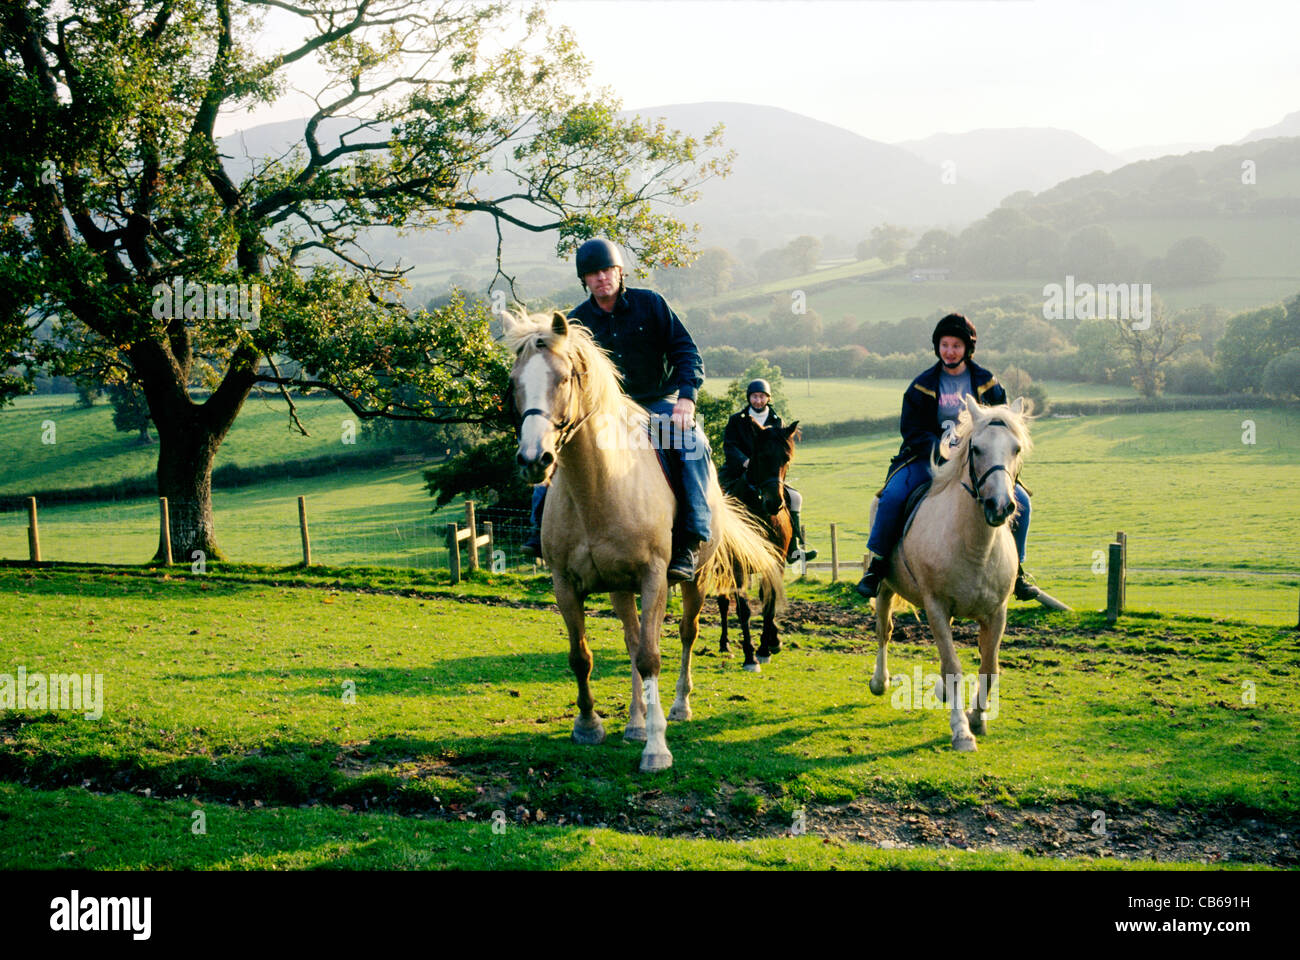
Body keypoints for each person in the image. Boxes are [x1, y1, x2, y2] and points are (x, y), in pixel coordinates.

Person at [523, 238, 714, 583]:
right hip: (605, 414)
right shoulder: (575, 322)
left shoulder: (651, 304)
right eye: (592, 273)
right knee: (552, 445)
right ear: (585, 280)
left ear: (620, 271)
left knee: (693, 442)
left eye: (606, 270)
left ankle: (691, 537)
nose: (601, 278)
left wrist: (686, 397)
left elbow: (686, 351)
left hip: (657, 404)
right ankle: (539, 528)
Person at [855, 313, 1037, 601]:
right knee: (890, 497)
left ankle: (1018, 571)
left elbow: (1002, 425)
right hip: (928, 459)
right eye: (944, 345)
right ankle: (877, 566)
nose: (949, 351)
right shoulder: (921, 385)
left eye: (956, 345)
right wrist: (938, 448)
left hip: (978, 461)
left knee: (1022, 502)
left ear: (967, 349)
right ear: (937, 347)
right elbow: (911, 430)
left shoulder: (987, 383)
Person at [720, 379, 818, 563]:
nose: (758, 400)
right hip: (738, 470)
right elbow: (730, 445)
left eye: (761, 397)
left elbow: (779, 450)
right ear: (749, 398)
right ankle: (710, 545)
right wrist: (745, 461)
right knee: (716, 497)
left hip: (767, 474)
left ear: (768, 398)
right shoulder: (737, 420)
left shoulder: (777, 421)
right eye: (754, 397)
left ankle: (793, 550)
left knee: (795, 498)